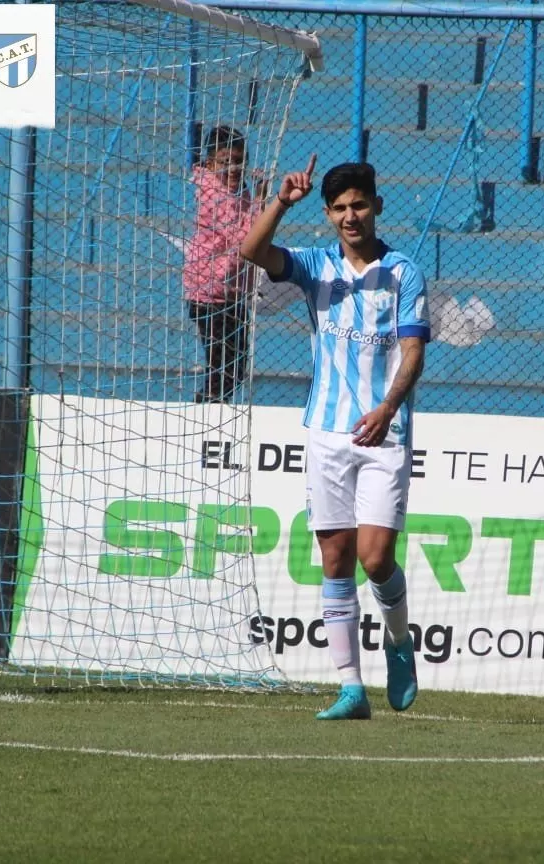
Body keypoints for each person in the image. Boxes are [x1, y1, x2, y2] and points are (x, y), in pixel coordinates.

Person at [240, 158, 430, 720]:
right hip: (325, 433)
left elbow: (415, 350)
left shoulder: (404, 273)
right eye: (340, 208)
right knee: (335, 558)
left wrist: (388, 406)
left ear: (377, 206)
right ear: (327, 214)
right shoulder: (316, 266)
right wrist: (280, 203)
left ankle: (398, 643)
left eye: (360, 205)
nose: (351, 216)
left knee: (375, 560)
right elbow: (252, 252)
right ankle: (351, 689)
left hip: (383, 432)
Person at [184, 125, 265, 402]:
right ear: (209, 163)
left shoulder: (236, 190)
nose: (233, 168)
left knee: (236, 359)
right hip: (209, 294)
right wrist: (261, 203)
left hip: (229, 292)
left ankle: (214, 403)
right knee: (223, 364)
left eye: (239, 161)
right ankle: (208, 407)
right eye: (225, 162)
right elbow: (244, 239)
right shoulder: (214, 194)